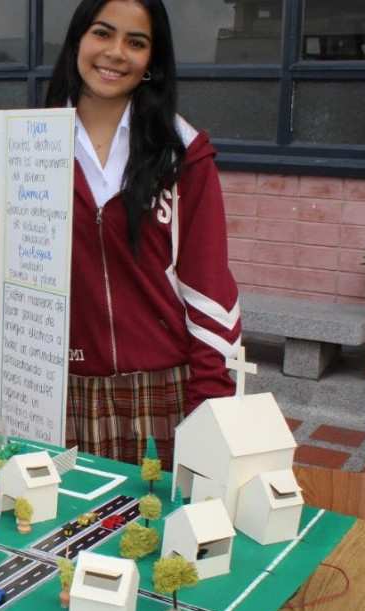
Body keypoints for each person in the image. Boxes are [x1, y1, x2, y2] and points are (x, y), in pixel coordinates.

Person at [46, 0, 242, 466]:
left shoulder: (182, 154)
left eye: (136, 43)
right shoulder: (28, 144)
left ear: (152, 61)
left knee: (161, 535)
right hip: (56, 392)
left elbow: (209, 287)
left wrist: (209, 401)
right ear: (78, 40)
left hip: (163, 393)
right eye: (102, 33)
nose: (115, 53)